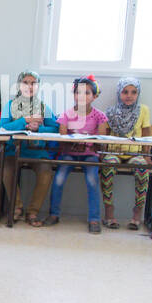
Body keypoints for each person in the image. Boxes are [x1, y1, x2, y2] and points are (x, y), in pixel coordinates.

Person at [0, 69, 59, 226]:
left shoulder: (43, 107)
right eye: (25, 82)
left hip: (37, 152)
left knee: (46, 172)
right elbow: (3, 128)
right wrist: (24, 120)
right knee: (7, 171)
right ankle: (16, 208)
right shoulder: (10, 105)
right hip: (13, 150)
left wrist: (38, 129)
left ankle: (33, 212)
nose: (29, 86)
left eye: (33, 83)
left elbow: (55, 129)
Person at [47, 75, 105, 233]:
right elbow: (62, 137)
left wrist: (87, 144)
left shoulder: (100, 116)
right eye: (78, 92)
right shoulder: (66, 115)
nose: (82, 96)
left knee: (92, 180)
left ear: (94, 96)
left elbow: (101, 140)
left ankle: (94, 219)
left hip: (90, 154)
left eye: (87, 93)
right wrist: (73, 144)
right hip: (69, 153)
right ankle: (54, 214)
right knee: (59, 178)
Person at [99, 76, 152, 231]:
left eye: (133, 92)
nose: (129, 95)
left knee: (142, 169)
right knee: (107, 166)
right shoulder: (110, 111)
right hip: (114, 152)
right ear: (119, 93)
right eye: (125, 92)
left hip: (135, 154)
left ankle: (137, 213)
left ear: (138, 94)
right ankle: (109, 212)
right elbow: (105, 135)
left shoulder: (143, 110)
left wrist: (147, 156)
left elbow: (146, 135)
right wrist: (102, 154)